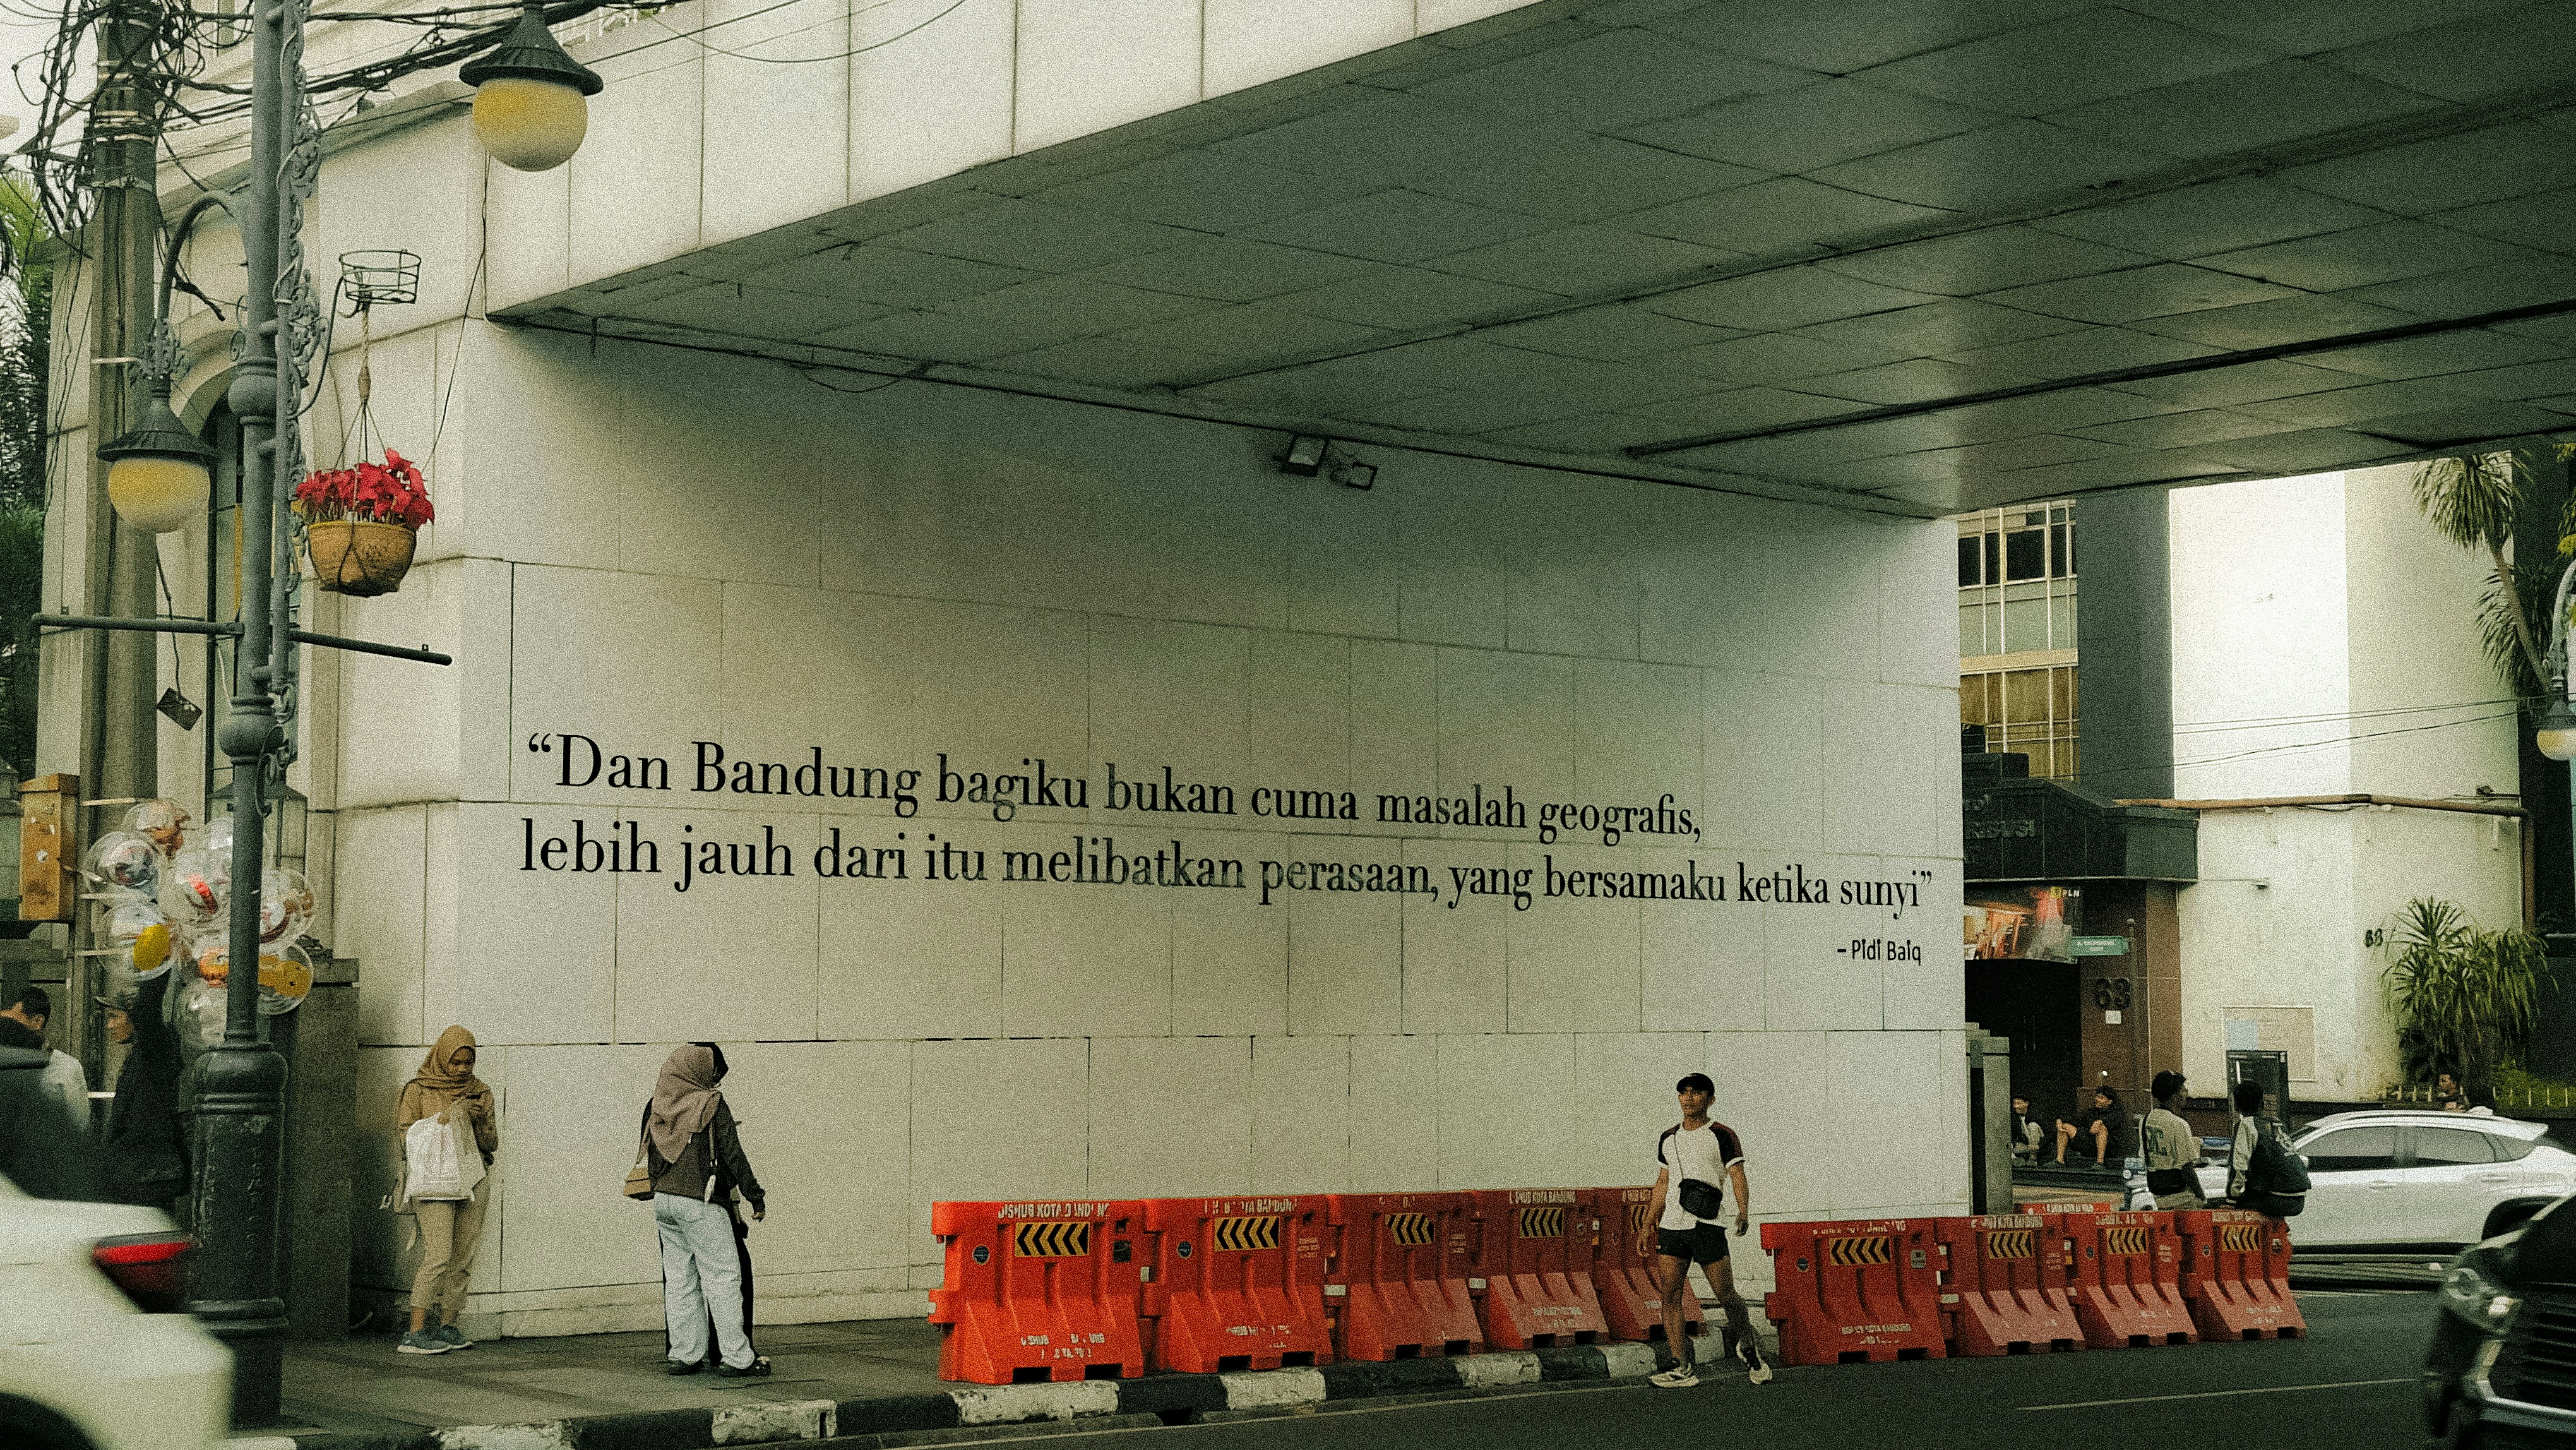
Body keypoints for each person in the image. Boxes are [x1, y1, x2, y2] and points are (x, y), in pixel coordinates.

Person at [641, 1043, 770, 1378]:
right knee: (724, 1277)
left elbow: (650, 1154)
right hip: (701, 1201)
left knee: (681, 1280)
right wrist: (755, 1195)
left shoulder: (657, 1104)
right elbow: (733, 1155)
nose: (714, 1085)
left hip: (665, 1202)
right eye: (712, 1076)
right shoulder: (711, 1105)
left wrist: (662, 1189)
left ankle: (685, 1354)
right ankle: (737, 1357)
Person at [1640, 1072, 1772, 1389]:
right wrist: (1649, 1222)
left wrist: (1743, 1210)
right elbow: (1663, 1182)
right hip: (1673, 1225)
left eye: (1697, 1093)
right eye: (1684, 1093)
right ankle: (1681, 1366)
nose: (1689, 1098)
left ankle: (1748, 1347)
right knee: (1670, 1294)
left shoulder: (1722, 1134)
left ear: (1710, 1099)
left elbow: (1737, 1174)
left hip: (1707, 1224)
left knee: (1726, 1294)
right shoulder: (1668, 1137)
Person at [395, 1026, 498, 1355]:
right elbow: (405, 1136)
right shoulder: (419, 1089)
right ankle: (416, 1331)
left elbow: (491, 1143)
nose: (462, 1070)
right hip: (435, 1179)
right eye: (456, 1062)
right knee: (437, 1255)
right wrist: (449, 1117)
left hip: (473, 1176)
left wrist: (478, 1121)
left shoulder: (480, 1091)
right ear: (442, 1057)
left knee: (463, 1257)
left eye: (468, 1063)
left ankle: (449, 1324)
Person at [98, 978, 188, 1211]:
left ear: (134, 1018)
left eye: (115, 1017)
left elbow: (146, 1007)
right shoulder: (141, 1056)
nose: (109, 1026)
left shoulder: (157, 1052)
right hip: (138, 1170)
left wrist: (157, 960)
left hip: (148, 1173)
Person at [0, 986, 92, 1130]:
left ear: (37, 1021)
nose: (4, 1028)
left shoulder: (66, 1068)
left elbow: (79, 1126)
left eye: (13, 1023)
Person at [2226, 1079, 2306, 1220]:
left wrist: (2231, 1200)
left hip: (2274, 1198)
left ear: (2236, 1107)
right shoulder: (2277, 1123)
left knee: (2226, 1208)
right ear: (2262, 1104)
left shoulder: (2245, 1125)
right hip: (2298, 1198)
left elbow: (2239, 1166)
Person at [2142, 1070, 2205, 1211]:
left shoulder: (2146, 1120)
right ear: (2174, 1096)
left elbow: (2146, 1156)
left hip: (2159, 1195)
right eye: (2183, 1090)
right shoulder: (2178, 1124)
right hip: (2182, 1197)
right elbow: (2186, 1166)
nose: (2186, 1093)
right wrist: (2201, 1196)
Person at [2054, 1086, 2128, 1168]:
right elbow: (2075, 1119)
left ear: (2109, 1102)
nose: (2097, 1099)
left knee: (2101, 1127)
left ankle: (2100, 1163)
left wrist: (2100, 1122)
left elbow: (2107, 1128)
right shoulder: (2091, 1112)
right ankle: (2060, 1160)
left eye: (2101, 1098)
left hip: (2108, 1148)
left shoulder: (2117, 1114)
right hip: (2089, 1143)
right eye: (2097, 1097)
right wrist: (2060, 1120)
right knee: (2065, 1126)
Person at [2009, 1094, 2042, 1165]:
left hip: (2039, 1146)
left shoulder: (2036, 1115)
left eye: (2019, 1104)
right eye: (2014, 1104)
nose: (2016, 1106)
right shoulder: (2015, 1118)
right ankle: (2016, 1159)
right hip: (2026, 1147)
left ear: (2026, 1104)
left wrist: (2039, 1146)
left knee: (2032, 1125)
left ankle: (2033, 1159)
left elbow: (2049, 1135)